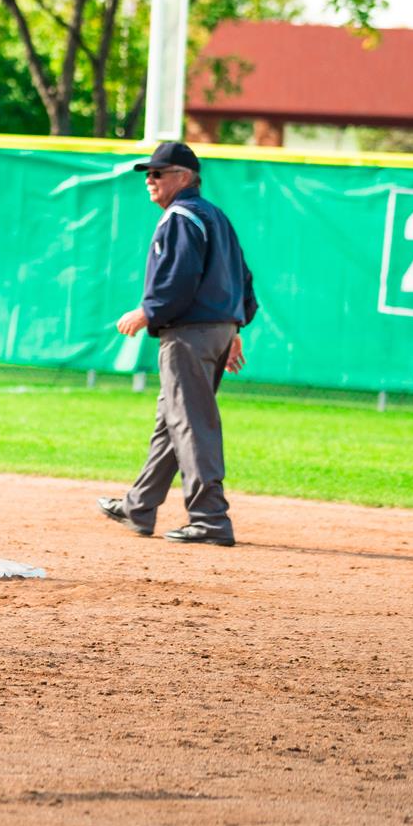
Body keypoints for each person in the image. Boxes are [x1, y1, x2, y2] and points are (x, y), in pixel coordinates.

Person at [96, 141, 258, 547]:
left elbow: (179, 277)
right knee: (172, 421)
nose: (150, 179)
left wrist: (148, 311)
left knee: (190, 423)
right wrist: (234, 327)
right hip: (215, 328)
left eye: (159, 172)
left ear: (185, 177)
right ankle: (139, 505)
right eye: (148, 173)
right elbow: (243, 275)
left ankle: (210, 519)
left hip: (190, 333)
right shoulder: (214, 216)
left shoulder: (181, 216)